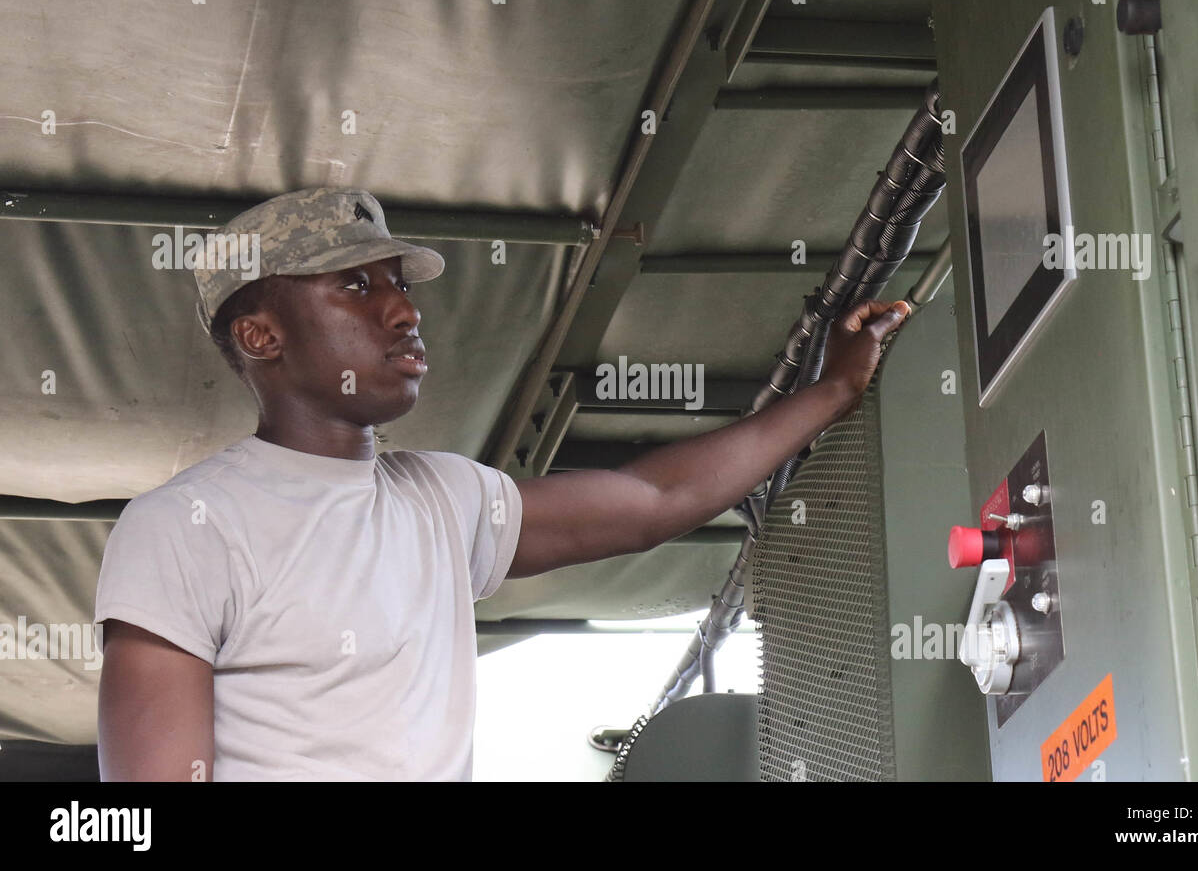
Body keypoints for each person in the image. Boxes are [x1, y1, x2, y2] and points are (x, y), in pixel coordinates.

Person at [94, 186, 912, 781]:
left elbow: (653, 502)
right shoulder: (187, 526)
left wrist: (831, 393)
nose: (403, 312)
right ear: (260, 334)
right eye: (356, 285)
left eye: (401, 285)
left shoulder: (440, 500)